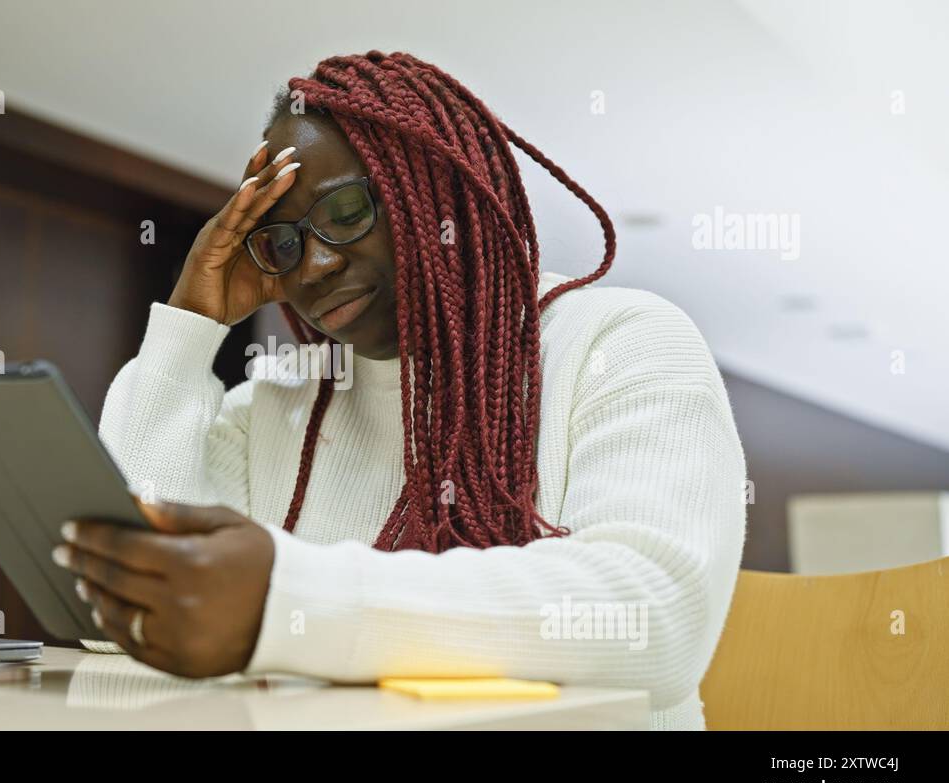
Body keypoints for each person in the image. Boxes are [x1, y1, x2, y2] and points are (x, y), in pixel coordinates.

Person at [51, 50, 746, 730]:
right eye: (283, 244)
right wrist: (186, 331)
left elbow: (653, 615)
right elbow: (122, 624)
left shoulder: (620, 342)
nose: (315, 264)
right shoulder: (278, 406)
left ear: (439, 186)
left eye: (346, 211)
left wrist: (286, 597)